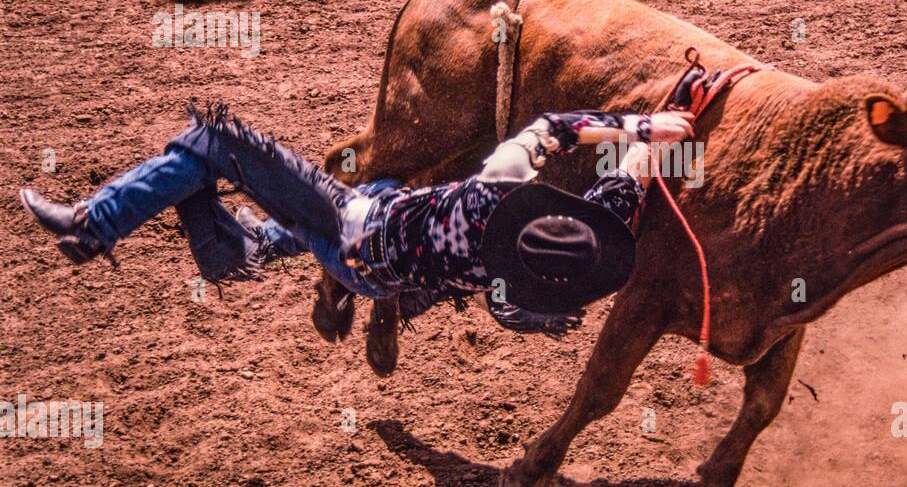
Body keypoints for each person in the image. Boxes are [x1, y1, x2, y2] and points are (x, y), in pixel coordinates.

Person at [19, 104, 695, 334]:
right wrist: (654, 150)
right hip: (385, 273)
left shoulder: (498, 187)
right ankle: (251, 241)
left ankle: (94, 222)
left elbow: (554, 127)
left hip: (353, 226)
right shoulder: (538, 292)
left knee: (215, 142)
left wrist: (643, 125)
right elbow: (627, 187)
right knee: (383, 184)